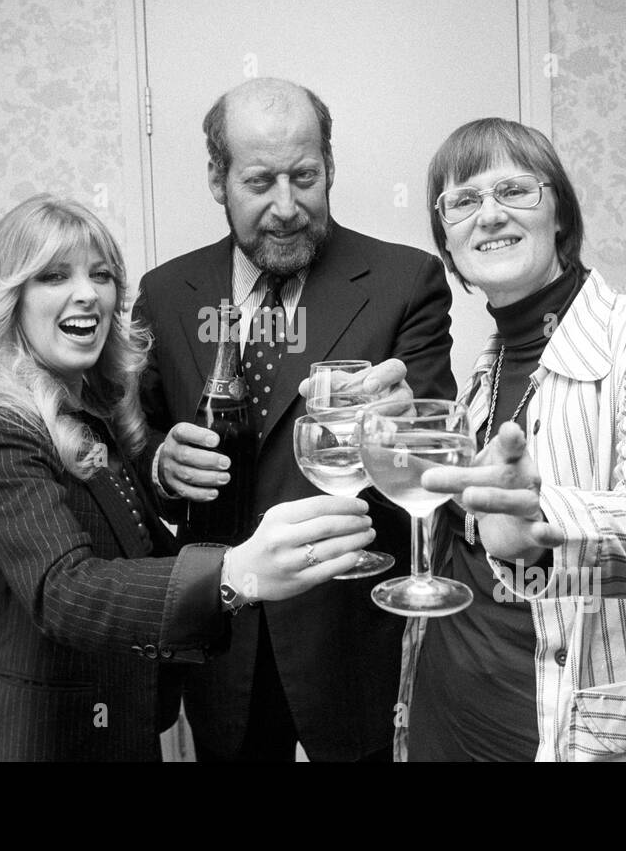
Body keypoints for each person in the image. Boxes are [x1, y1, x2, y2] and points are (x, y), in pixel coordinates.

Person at [0, 195, 376, 761]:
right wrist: (233, 574)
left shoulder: (94, 416)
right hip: (51, 741)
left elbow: (139, 553)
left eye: (101, 275)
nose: (87, 293)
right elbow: (66, 592)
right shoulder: (3, 431)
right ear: (12, 300)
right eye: (55, 276)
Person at [371, 117, 626, 761]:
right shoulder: (486, 368)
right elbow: (472, 519)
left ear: (559, 210)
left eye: (515, 191)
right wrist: (400, 436)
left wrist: (546, 519)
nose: (490, 215)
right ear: (447, 245)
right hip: (445, 710)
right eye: (464, 201)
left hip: (571, 730)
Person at [133, 78, 456, 762]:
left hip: (353, 641)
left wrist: (400, 429)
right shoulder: (164, 293)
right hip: (223, 641)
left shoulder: (407, 282)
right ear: (218, 180)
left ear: (330, 168)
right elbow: (135, 446)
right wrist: (161, 462)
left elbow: (437, 459)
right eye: (260, 181)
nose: (287, 208)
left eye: (305, 177)